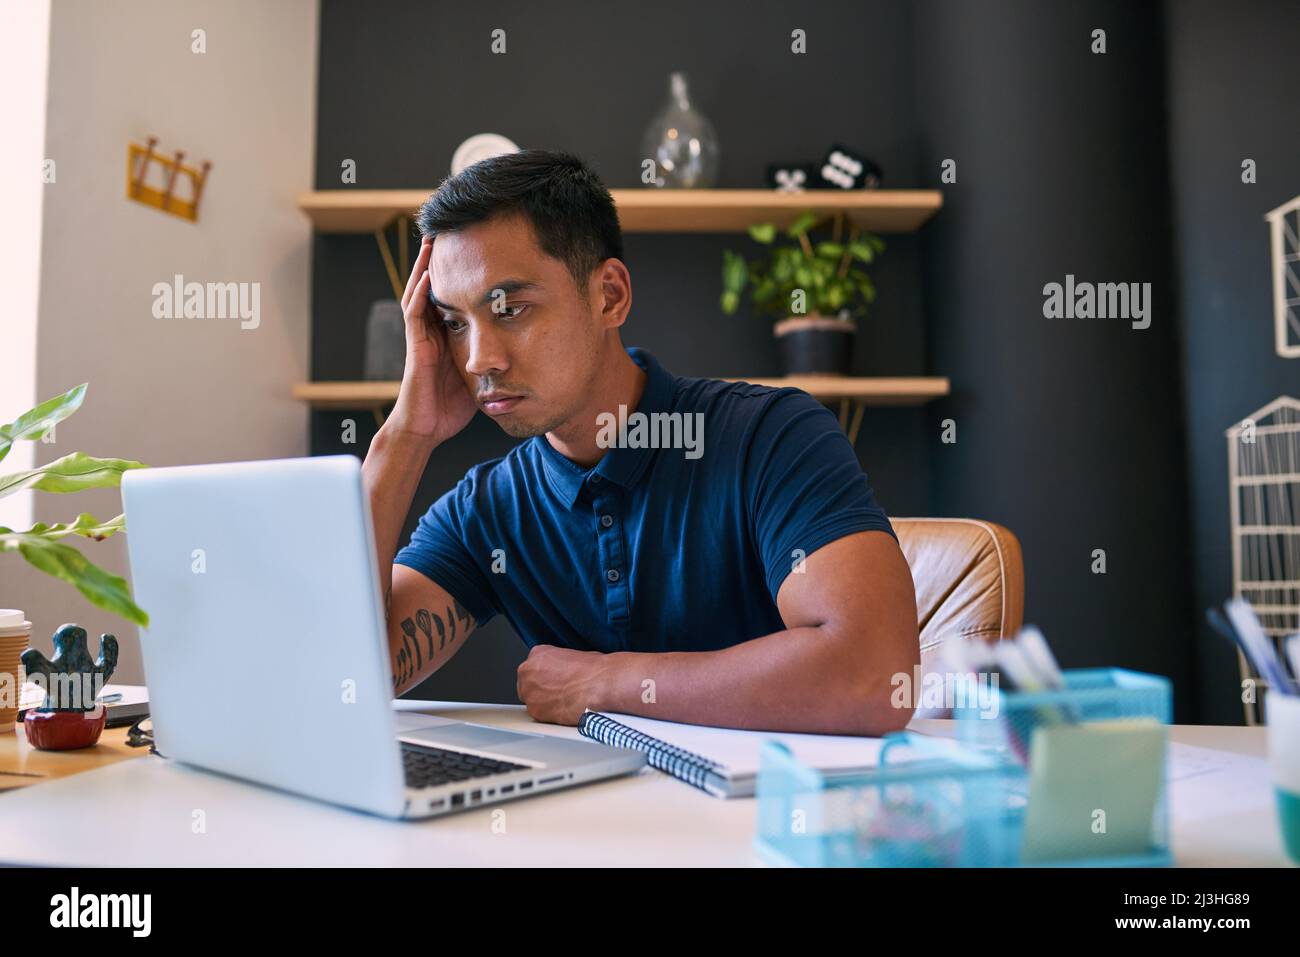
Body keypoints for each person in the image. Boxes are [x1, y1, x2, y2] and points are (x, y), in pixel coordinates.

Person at [361, 149, 918, 734]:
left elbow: (873, 676)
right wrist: (404, 437)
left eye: (511, 309)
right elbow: (346, 681)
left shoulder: (771, 436)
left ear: (609, 295)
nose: (479, 359)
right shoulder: (487, 509)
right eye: (453, 322)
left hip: (768, 819)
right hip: (594, 823)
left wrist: (606, 683)